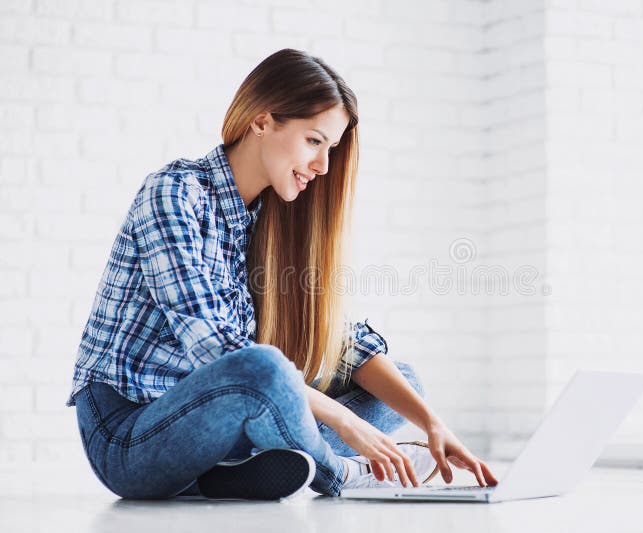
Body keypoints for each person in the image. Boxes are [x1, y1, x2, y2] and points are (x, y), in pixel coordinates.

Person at [66, 48, 499, 500]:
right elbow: (220, 351)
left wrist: (433, 421)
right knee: (264, 366)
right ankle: (341, 474)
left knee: (402, 381)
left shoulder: (268, 220)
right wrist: (345, 422)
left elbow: (344, 342)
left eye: (330, 149)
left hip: (222, 427)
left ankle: (228, 473)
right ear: (261, 121)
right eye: (314, 141)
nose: (324, 166)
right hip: (129, 434)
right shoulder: (175, 193)